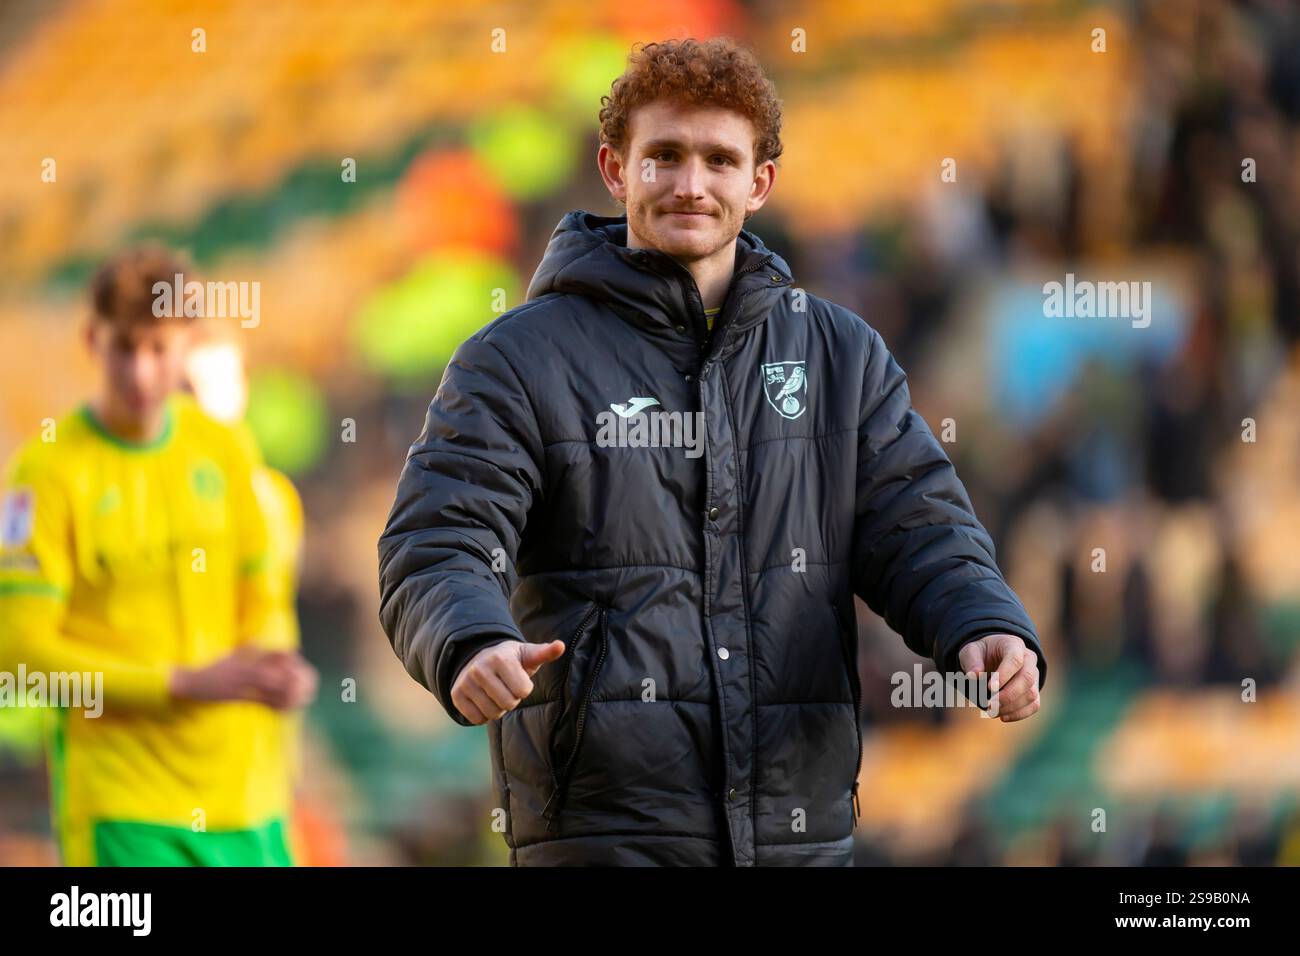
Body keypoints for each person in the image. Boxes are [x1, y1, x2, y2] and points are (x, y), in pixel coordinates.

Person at [378, 37, 1046, 867]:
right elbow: (436, 540)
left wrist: (981, 623)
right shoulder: (516, 360)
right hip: (604, 840)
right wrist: (469, 639)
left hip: (801, 839)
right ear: (616, 170)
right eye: (664, 155)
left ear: (758, 183)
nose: (690, 184)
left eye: (719, 160)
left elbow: (920, 529)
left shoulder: (841, 356)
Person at [0, 244, 316, 866]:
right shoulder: (43, 476)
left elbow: (264, 602)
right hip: (124, 807)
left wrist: (277, 663)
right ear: (93, 340)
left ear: (186, 347)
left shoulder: (226, 451)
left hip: (246, 800)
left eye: (158, 350)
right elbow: (19, 659)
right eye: (125, 348)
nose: (141, 374)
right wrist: (177, 684)